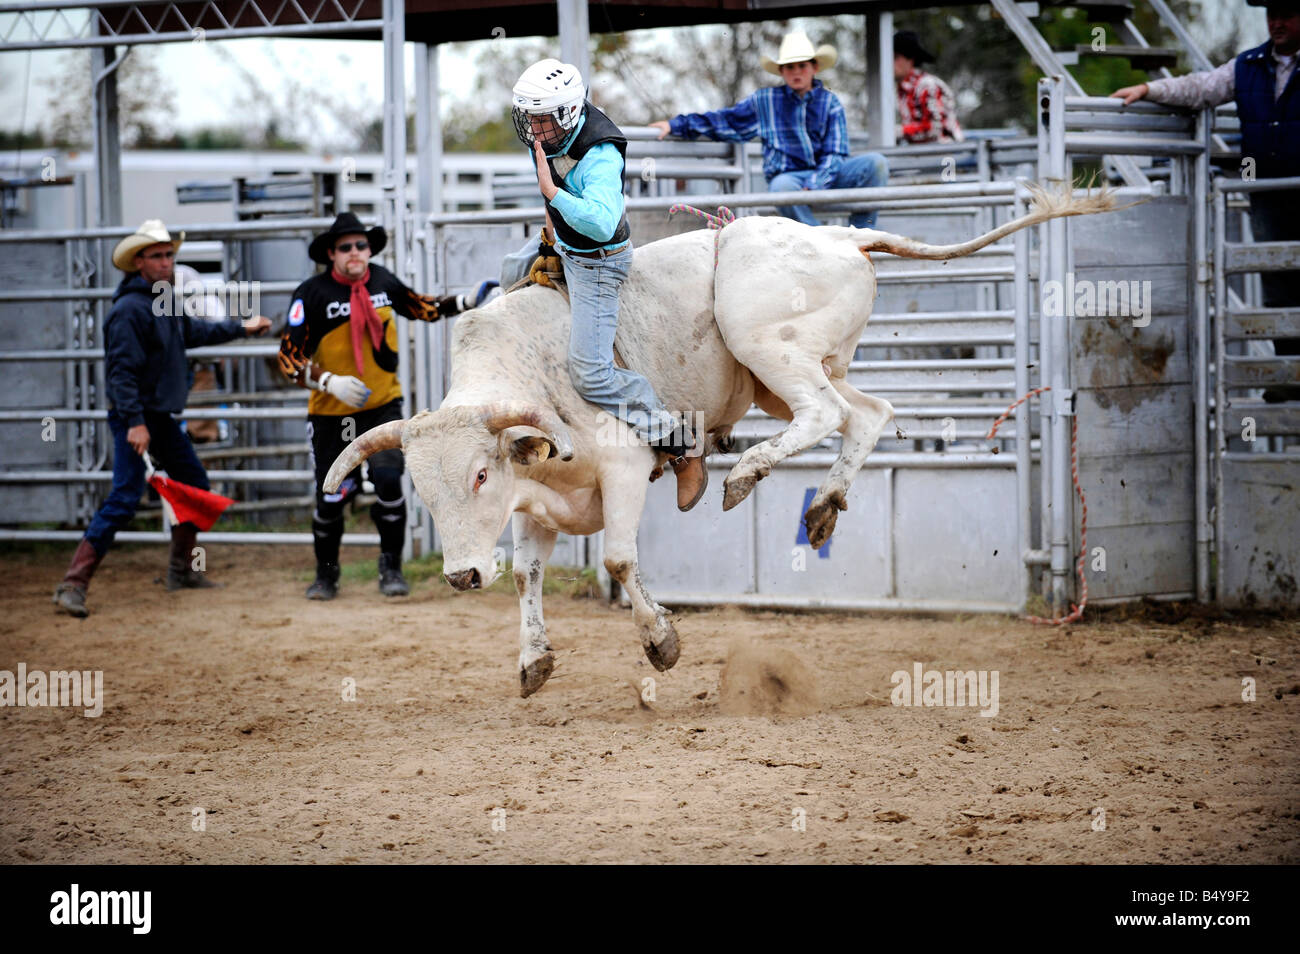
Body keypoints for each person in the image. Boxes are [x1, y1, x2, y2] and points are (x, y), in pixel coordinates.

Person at [512, 57, 708, 510]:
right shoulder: (545, 134)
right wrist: (549, 241)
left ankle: (679, 444)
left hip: (598, 263)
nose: (533, 130)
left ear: (564, 114)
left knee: (591, 373)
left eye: (540, 119)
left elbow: (601, 224)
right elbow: (550, 186)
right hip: (567, 247)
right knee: (507, 274)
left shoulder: (600, 153)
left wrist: (554, 195)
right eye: (529, 119)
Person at [53, 220, 272, 617]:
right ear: (138, 262)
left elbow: (195, 331)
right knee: (123, 497)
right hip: (136, 417)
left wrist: (240, 327)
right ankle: (74, 583)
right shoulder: (129, 310)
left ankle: (180, 568)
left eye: (169, 255)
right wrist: (135, 421)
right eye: (157, 256)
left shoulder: (161, 302)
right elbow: (121, 373)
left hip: (156, 416)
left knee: (193, 483)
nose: (166, 262)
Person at [277, 212, 491, 600]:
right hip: (331, 413)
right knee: (332, 494)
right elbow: (288, 359)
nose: (356, 253)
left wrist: (465, 300)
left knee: (390, 482)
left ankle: (391, 568)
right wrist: (329, 381)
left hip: (382, 407)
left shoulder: (382, 281)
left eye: (361, 245)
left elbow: (420, 307)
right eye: (346, 247)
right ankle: (326, 576)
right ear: (331, 253)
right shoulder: (311, 293)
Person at [1112, 0, 1298, 402]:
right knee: (1278, 283)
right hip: (1269, 190)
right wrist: (1150, 89)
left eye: (1287, 13)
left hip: (1282, 186)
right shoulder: (1248, 65)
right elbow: (1201, 88)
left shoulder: (1252, 66)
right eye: (1273, 14)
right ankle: (1290, 373)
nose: (1278, 22)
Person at [649, 30, 890, 229]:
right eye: (789, 67)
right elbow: (726, 120)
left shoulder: (830, 103)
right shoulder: (765, 102)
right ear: (782, 71)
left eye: (802, 65)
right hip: (789, 179)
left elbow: (836, 153)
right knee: (781, 188)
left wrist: (816, 183)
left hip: (827, 173)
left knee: (875, 164)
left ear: (814, 67)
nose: (796, 72)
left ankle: (861, 234)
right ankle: (820, 239)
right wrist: (676, 124)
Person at [894, 30, 965, 145]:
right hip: (924, 155)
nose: (890, 62)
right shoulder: (904, 89)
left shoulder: (927, 85)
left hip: (946, 154)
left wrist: (899, 131)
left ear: (910, 60)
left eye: (896, 57)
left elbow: (934, 129)